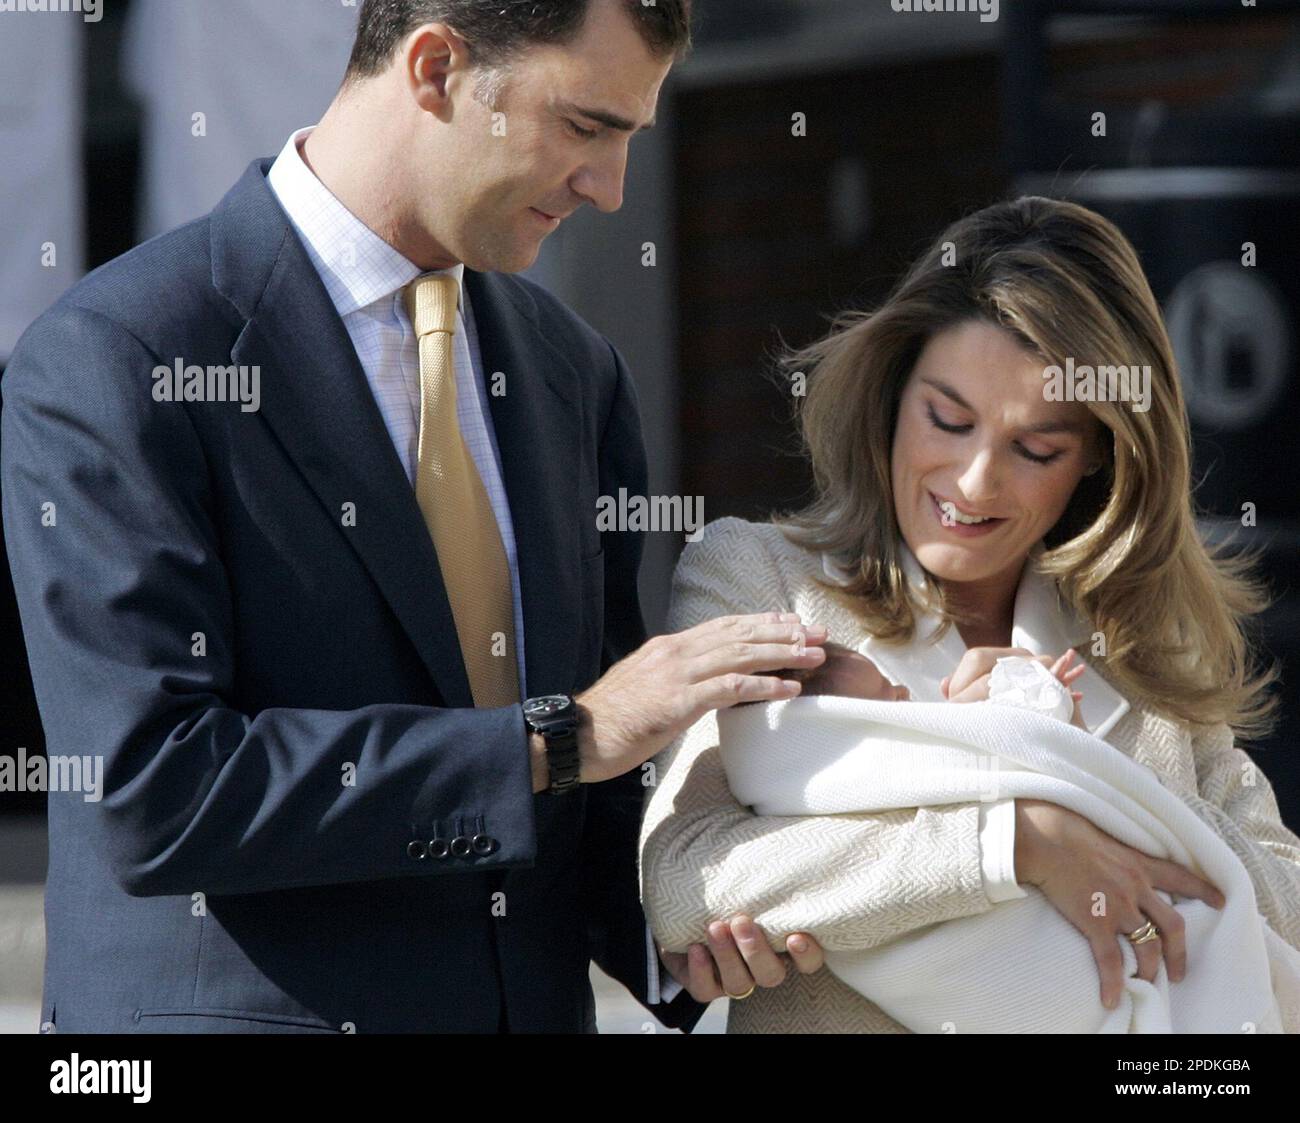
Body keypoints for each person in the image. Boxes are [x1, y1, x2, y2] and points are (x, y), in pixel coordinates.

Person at [1, 0, 828, 1035]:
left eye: (629, 139)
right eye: (583, 126)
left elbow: (597, 782)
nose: (609, 189)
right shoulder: (121, 353)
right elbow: (155, 789)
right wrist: (558, 739)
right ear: (435, 68)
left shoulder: (571, 370)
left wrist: (693, 921)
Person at [639, 195, 1300, 1033]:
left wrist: (1051, 761)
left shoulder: (1138, 640)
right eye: (947, 419)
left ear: (1101, 453)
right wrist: (1012, 838)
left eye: (1036, 449)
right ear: (890, 390)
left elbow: (1282, 899)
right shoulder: (760, 579)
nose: (976, 481)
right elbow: (686, 883)